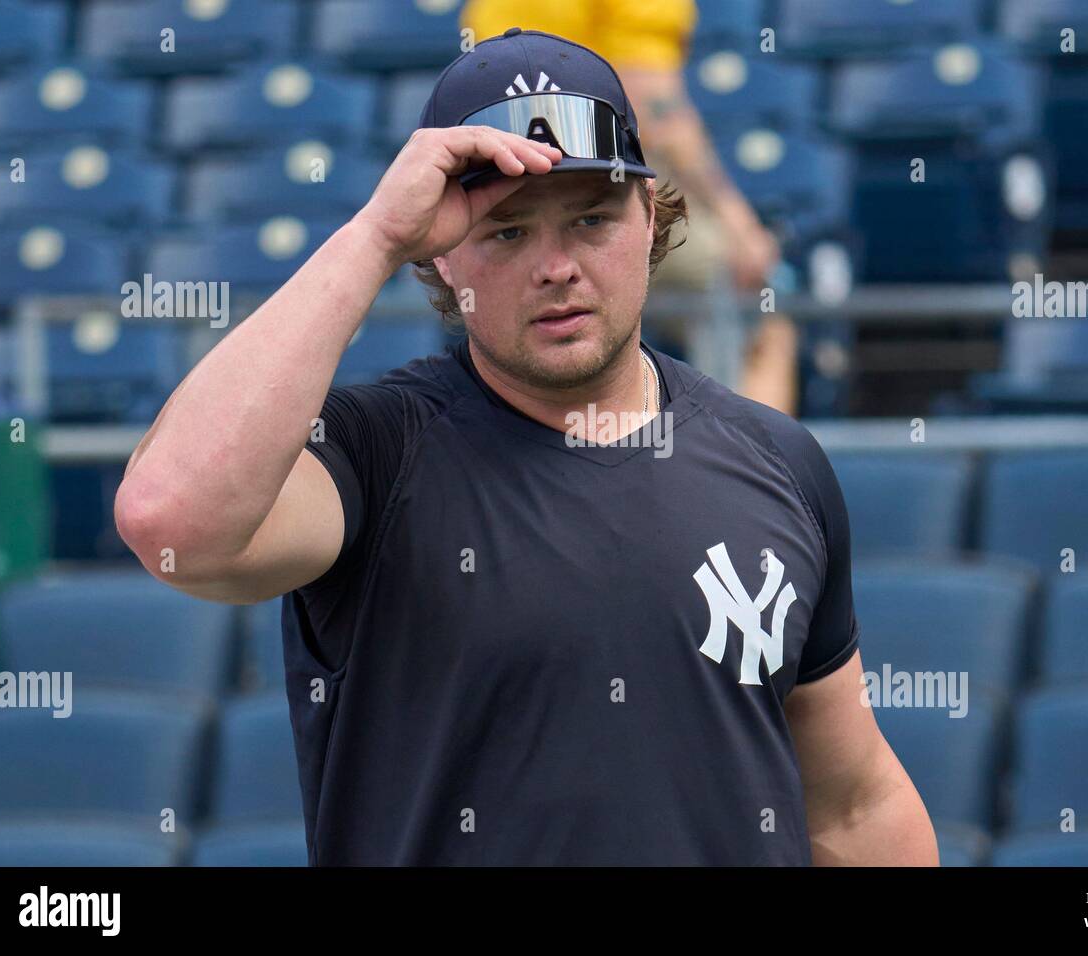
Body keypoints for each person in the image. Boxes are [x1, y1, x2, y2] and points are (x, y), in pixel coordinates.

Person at [114, 28, 935, 866]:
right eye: (507, 232)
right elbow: (173, 518)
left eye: (591, 218)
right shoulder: (377, 454)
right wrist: (374, 235)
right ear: (440, 258)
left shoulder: (777, 460)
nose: (557, 267)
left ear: (650, 219)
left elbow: (853, 804)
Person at [463, 0, 801, 415]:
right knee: (759, 298)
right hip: (593, 181)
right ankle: (740, 462)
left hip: (496, 188)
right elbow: (658, 110)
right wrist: (740, 225)